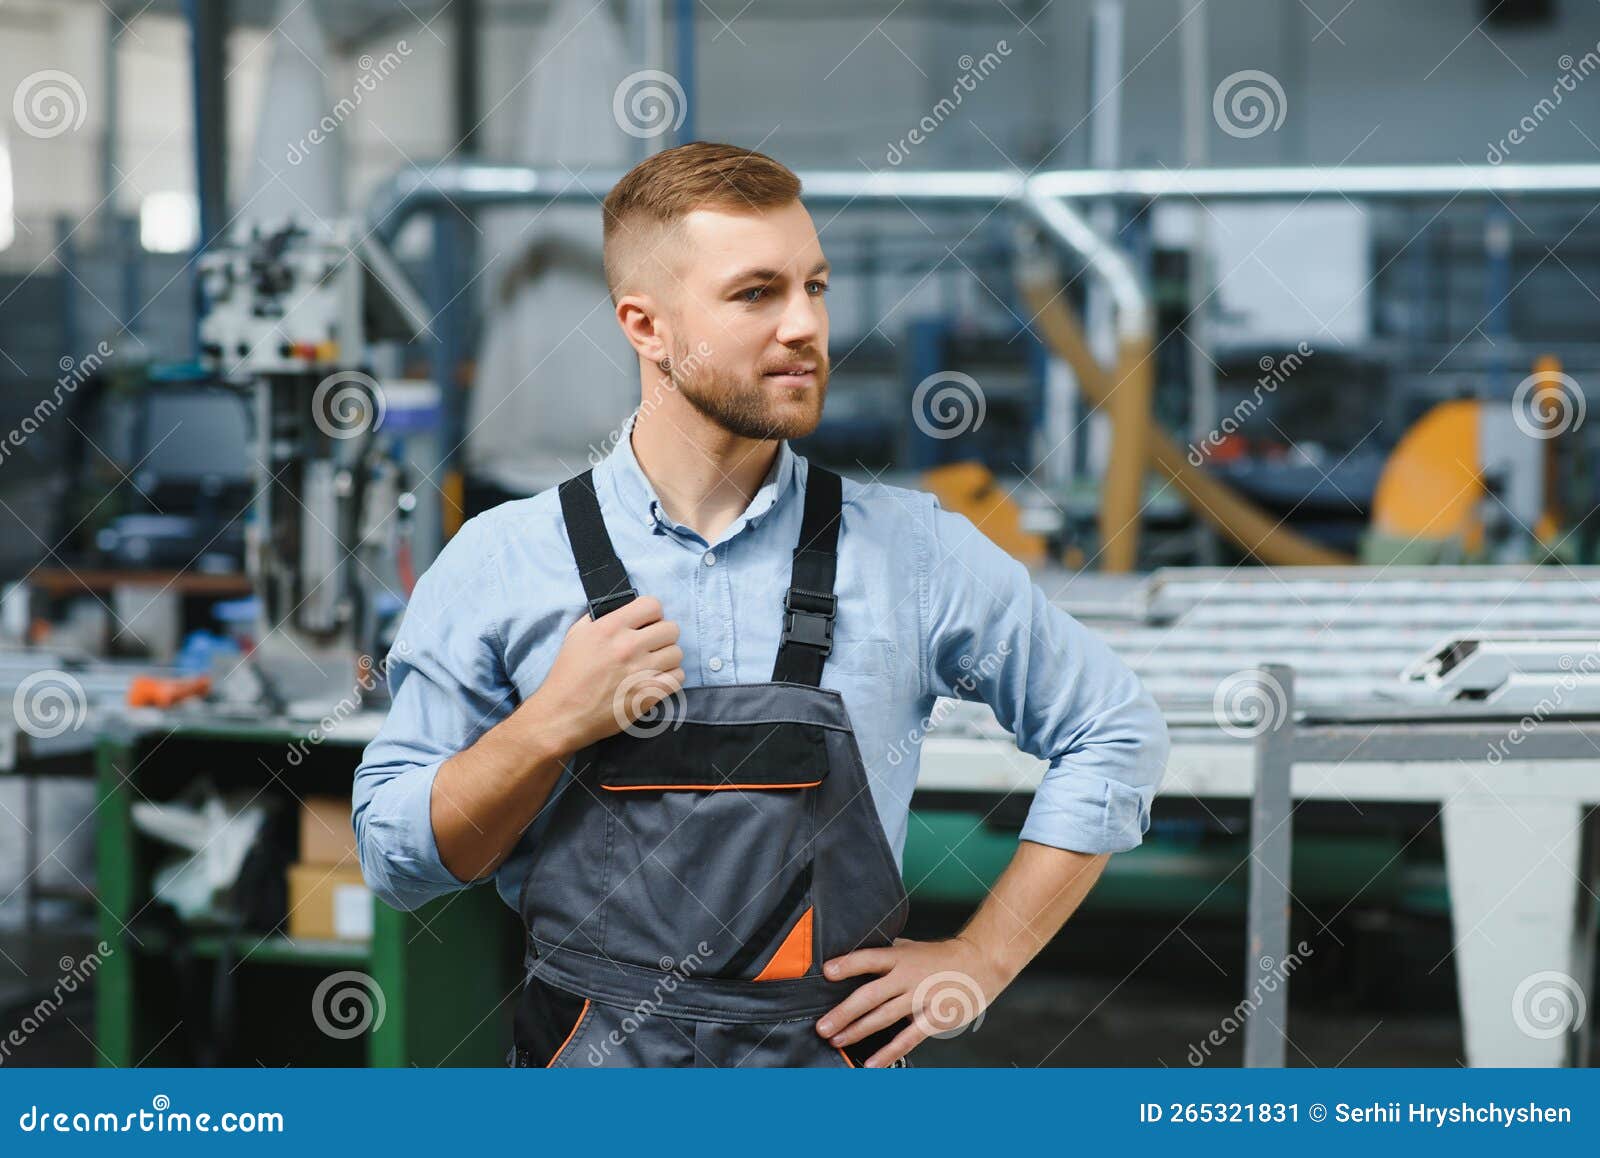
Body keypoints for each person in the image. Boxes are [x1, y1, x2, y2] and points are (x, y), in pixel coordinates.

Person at [353, 141, 1169, 1068]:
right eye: (756, 294)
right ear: (646, 327)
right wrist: (547, 726)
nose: (805, 327)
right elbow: (396, 858)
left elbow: (1113, 730)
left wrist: (982, 958)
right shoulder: (504, 561)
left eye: (814, 287)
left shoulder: (912, 552)